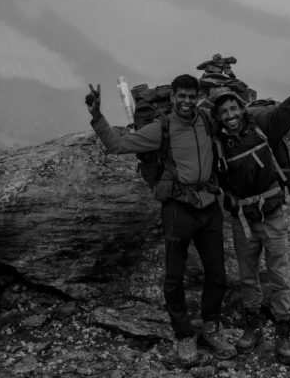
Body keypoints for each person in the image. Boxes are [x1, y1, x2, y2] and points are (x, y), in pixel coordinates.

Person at [85, 74, 236, 360]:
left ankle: (211, 327)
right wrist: (97, 116)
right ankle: (183, 335)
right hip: (178, 208)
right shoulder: (161, 129)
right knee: (174, 277)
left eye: (192, 96)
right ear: (173, 97)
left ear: (198, 97)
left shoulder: (206, 119)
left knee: (217, 274)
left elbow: (238, 119)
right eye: (182, 96)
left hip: (209, 207)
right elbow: (117, 146)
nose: (187, 101)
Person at [209, 59, 290, 366]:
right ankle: (254, 327)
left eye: (234, 110)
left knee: (278, 275)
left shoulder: (264, 125)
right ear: (218, 117)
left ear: (242, 109)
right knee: (248, 277)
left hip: (272, 213)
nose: (230, 116)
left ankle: (283, 331)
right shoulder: (216, 145)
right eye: (224, 112)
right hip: (242, 219)